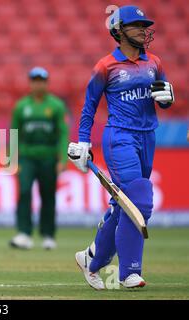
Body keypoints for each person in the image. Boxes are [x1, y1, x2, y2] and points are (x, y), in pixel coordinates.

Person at [68, 5, 174, 289]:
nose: (143, 29)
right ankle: (129, 272)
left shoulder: (154, 63)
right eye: (136, 24)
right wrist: (82, 141)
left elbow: (161, 100)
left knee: (122, 204)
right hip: (119, 137)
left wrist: (167, 99)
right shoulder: (106, 66)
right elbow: (89, 107)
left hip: (147, 136)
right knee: (139, 199)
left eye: (144, 24)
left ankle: (91, 258)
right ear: (118, 31)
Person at [9, 67, 69, 250]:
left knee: (48, 195)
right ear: (30, 83)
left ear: (46, 83)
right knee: (25, 192)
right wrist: (13, 160)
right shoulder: (21, 106)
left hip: (49, 157)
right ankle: (24, 234)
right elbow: (14, 134)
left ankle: (48, 235)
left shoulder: (56, 106)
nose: (38, 84)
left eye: (41, 81)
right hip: (27, 157)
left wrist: (62, 159)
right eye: (34, 80)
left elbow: (63, 133)